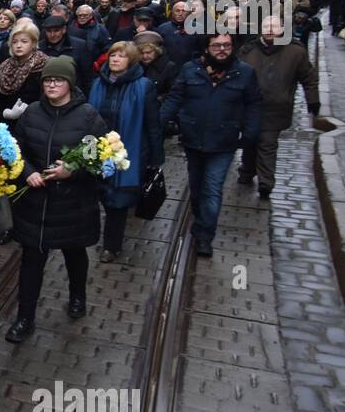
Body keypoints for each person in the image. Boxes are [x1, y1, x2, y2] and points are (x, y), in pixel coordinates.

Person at [3, 57, 108, 342]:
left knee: (74, 253)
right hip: (36, 204)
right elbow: (16, 149)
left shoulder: (87, 116)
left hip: (72, 204)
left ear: (70, 84)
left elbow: (98, 156)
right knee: (31, 260)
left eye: (58, 80)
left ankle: (78, 295)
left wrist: (71, 170)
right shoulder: (33, 112)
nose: (51, 84)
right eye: (47, 80)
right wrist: (27, 172)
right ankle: (24, 319)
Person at [160, 30, 261, 257]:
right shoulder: (190, 69)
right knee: (196, 188)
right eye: (216, 46)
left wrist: (251, 133)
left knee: (212, 189)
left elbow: (254, 104)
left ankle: (205, 235)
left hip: (223, 141)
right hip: (193, 138)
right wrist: (158, 123)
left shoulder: (244, 73)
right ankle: (199, 214)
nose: (222, 50)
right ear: (207, 48)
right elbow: (175, 98)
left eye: (226, 45)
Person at [86, 43, 164, 262]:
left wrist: (155, 158)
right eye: (113, 55)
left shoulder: (143, 86)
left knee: (117, 200)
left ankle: (112, 245)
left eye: (121, 56)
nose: (116, 59)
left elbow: (152, 123)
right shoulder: (97, 84)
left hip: (128, 151)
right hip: (98, 149)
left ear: (131, 61)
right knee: (96, 194)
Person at [237, 16, 319, 196]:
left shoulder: (295, 51)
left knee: (267, 144)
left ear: (283, 29)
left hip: (276, 108)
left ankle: (266, 182)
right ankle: (247, 170)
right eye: (266, 25)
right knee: (250, 140)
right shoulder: (248, 50)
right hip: (249, 108)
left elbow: (308, 77)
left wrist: (313, 99)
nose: (270, 29)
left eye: (274, 26)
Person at [0, 20, 47, 120]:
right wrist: (5, 113)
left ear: (33, 43)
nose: (18, 45)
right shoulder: (4, 66)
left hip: (33, 121)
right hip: (5, 123)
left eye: (24, 41)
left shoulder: (42, 65)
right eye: (14, 42)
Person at [134, 32, 179, 101]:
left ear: (157, 51)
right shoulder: (135, 65)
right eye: (141, 53)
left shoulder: (168, 67)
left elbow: (173, 93)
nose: (144, 56)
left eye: (148, 52)